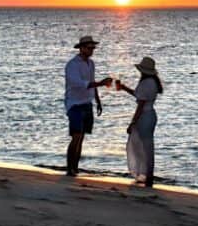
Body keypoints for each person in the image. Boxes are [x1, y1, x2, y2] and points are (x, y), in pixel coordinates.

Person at [65, 35, 112, 177]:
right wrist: (100, 83)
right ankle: (69, 168)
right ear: (82, 48)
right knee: (76, 136)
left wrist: (97, 100)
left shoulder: (91, 64)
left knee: (81, 137)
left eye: (93, 48)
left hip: (87, 103)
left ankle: (75, 167)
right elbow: (79, 84)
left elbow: (91, 83)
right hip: (74, 104)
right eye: (89, 48)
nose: (92, 50)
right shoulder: (72, 65)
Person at [115, 56, 162, 187]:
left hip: (144, 116)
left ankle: (147, 176)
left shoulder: (146, 83)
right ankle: (148, 175)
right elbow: (138, 95)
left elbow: (140, 104)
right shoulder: (152, 82)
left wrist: (132, 122)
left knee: (143, 146)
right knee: (146, 146)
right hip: (151, 114)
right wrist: (124, 88)